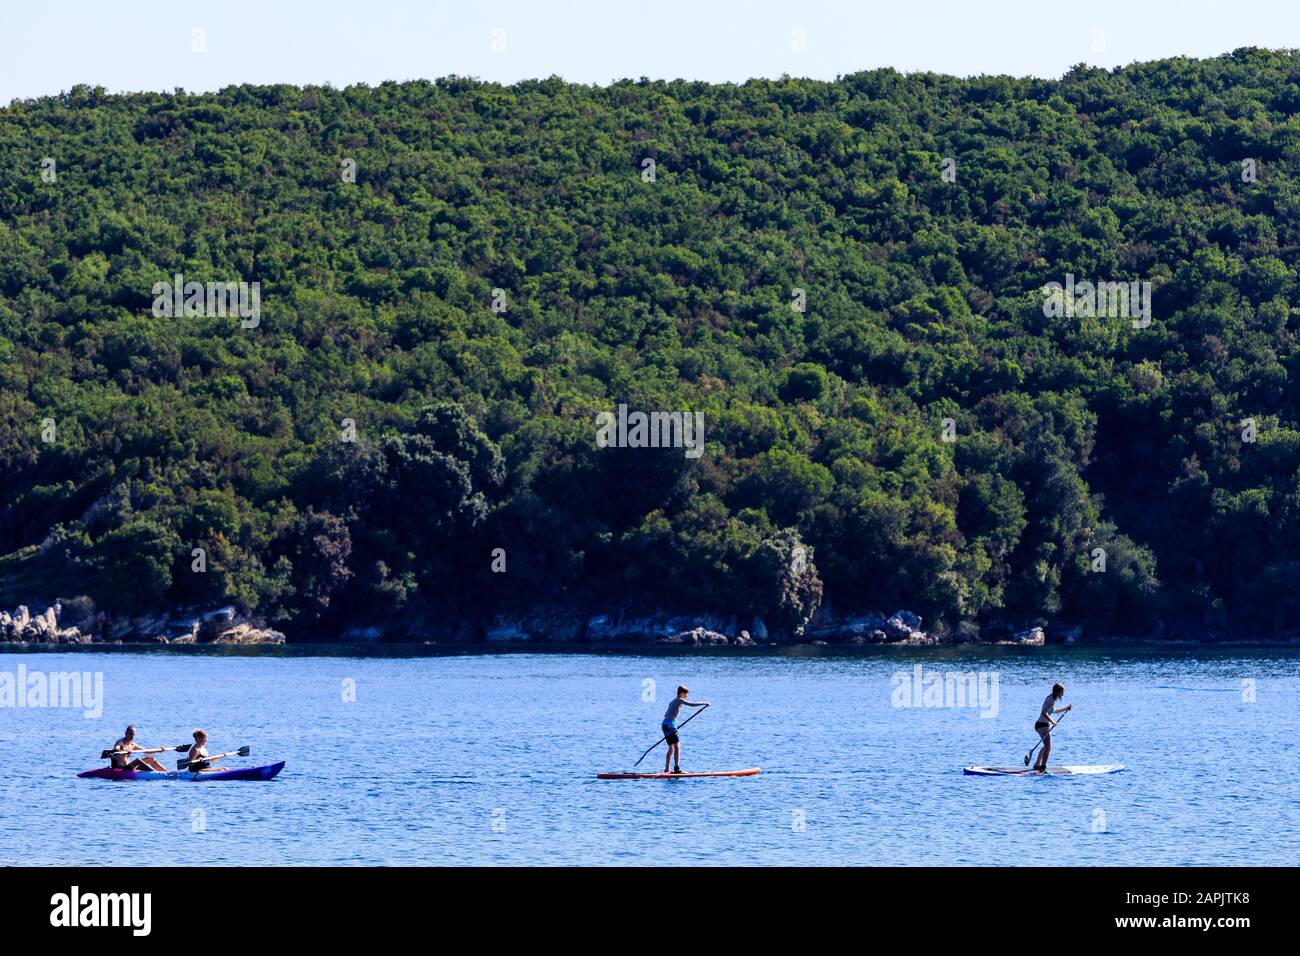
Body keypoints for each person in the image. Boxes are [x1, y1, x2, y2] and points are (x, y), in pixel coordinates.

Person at [662, 685, 709, 774]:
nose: (687, 696)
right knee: (677, 747)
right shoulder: (680, 700)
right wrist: (704, 703)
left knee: (671, 747)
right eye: (686, 694)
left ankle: (667, 769)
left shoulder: (672, 702)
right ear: (681, 693)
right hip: (670, 725)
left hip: (664, 724)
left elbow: (666, 715)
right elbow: (691, 704)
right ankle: (677, 769)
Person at [1033, 683, 1072, 772]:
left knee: (1046, 746)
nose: (1063, 694)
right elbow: (1044, 713)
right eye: (1062, 692)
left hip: (1041, 724)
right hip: (1042, 725)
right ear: (1057, 691)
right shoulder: (1050, 700)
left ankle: (1037, 765)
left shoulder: (1051, 699)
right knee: (1048, 747)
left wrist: (1066, 708)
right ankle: (1043, 767)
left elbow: (1053, 711)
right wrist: (1053, 722)